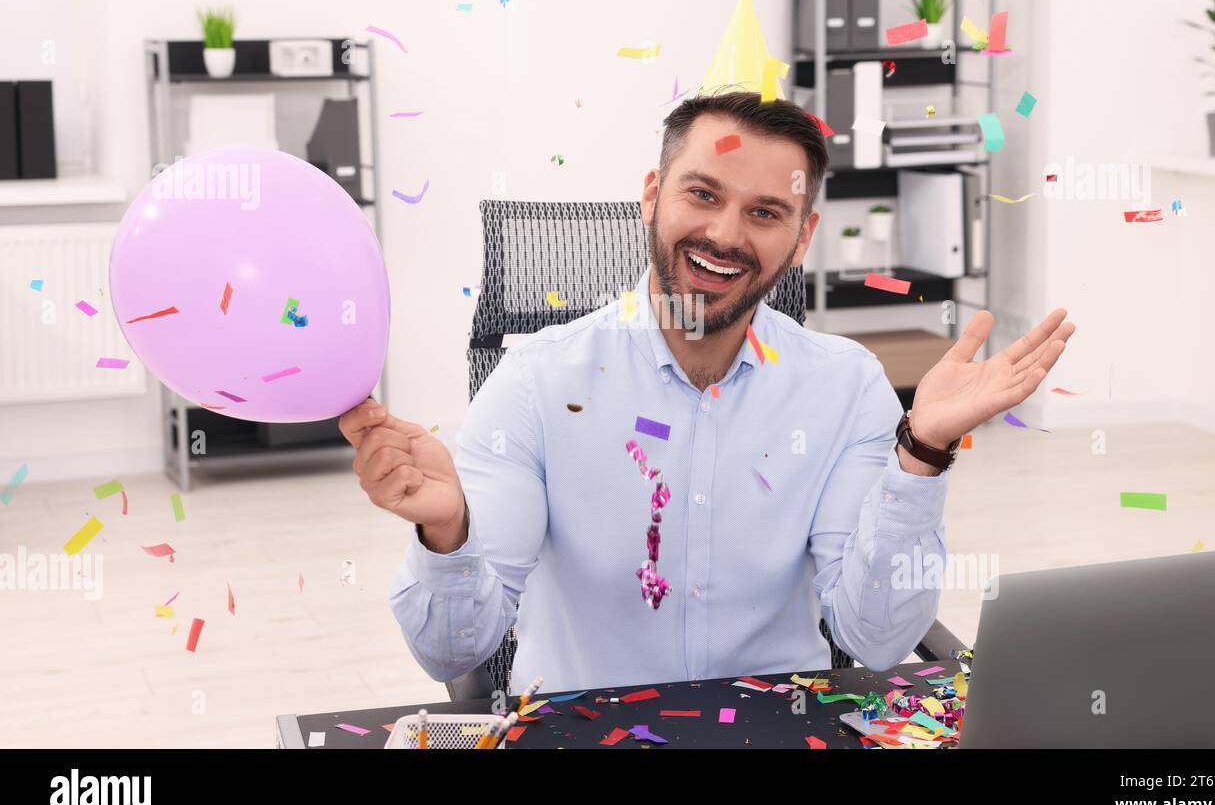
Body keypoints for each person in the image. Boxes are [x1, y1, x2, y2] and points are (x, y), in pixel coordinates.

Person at [340, 91, 1074, 694]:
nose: (725, 234)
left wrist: (922, 452)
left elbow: (877, 639)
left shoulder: (847, 387)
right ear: (653, 196)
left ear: (803, 234)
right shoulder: (535, 383)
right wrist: (447, 535)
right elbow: (450, 652)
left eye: (764, 211)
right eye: (703, 193)